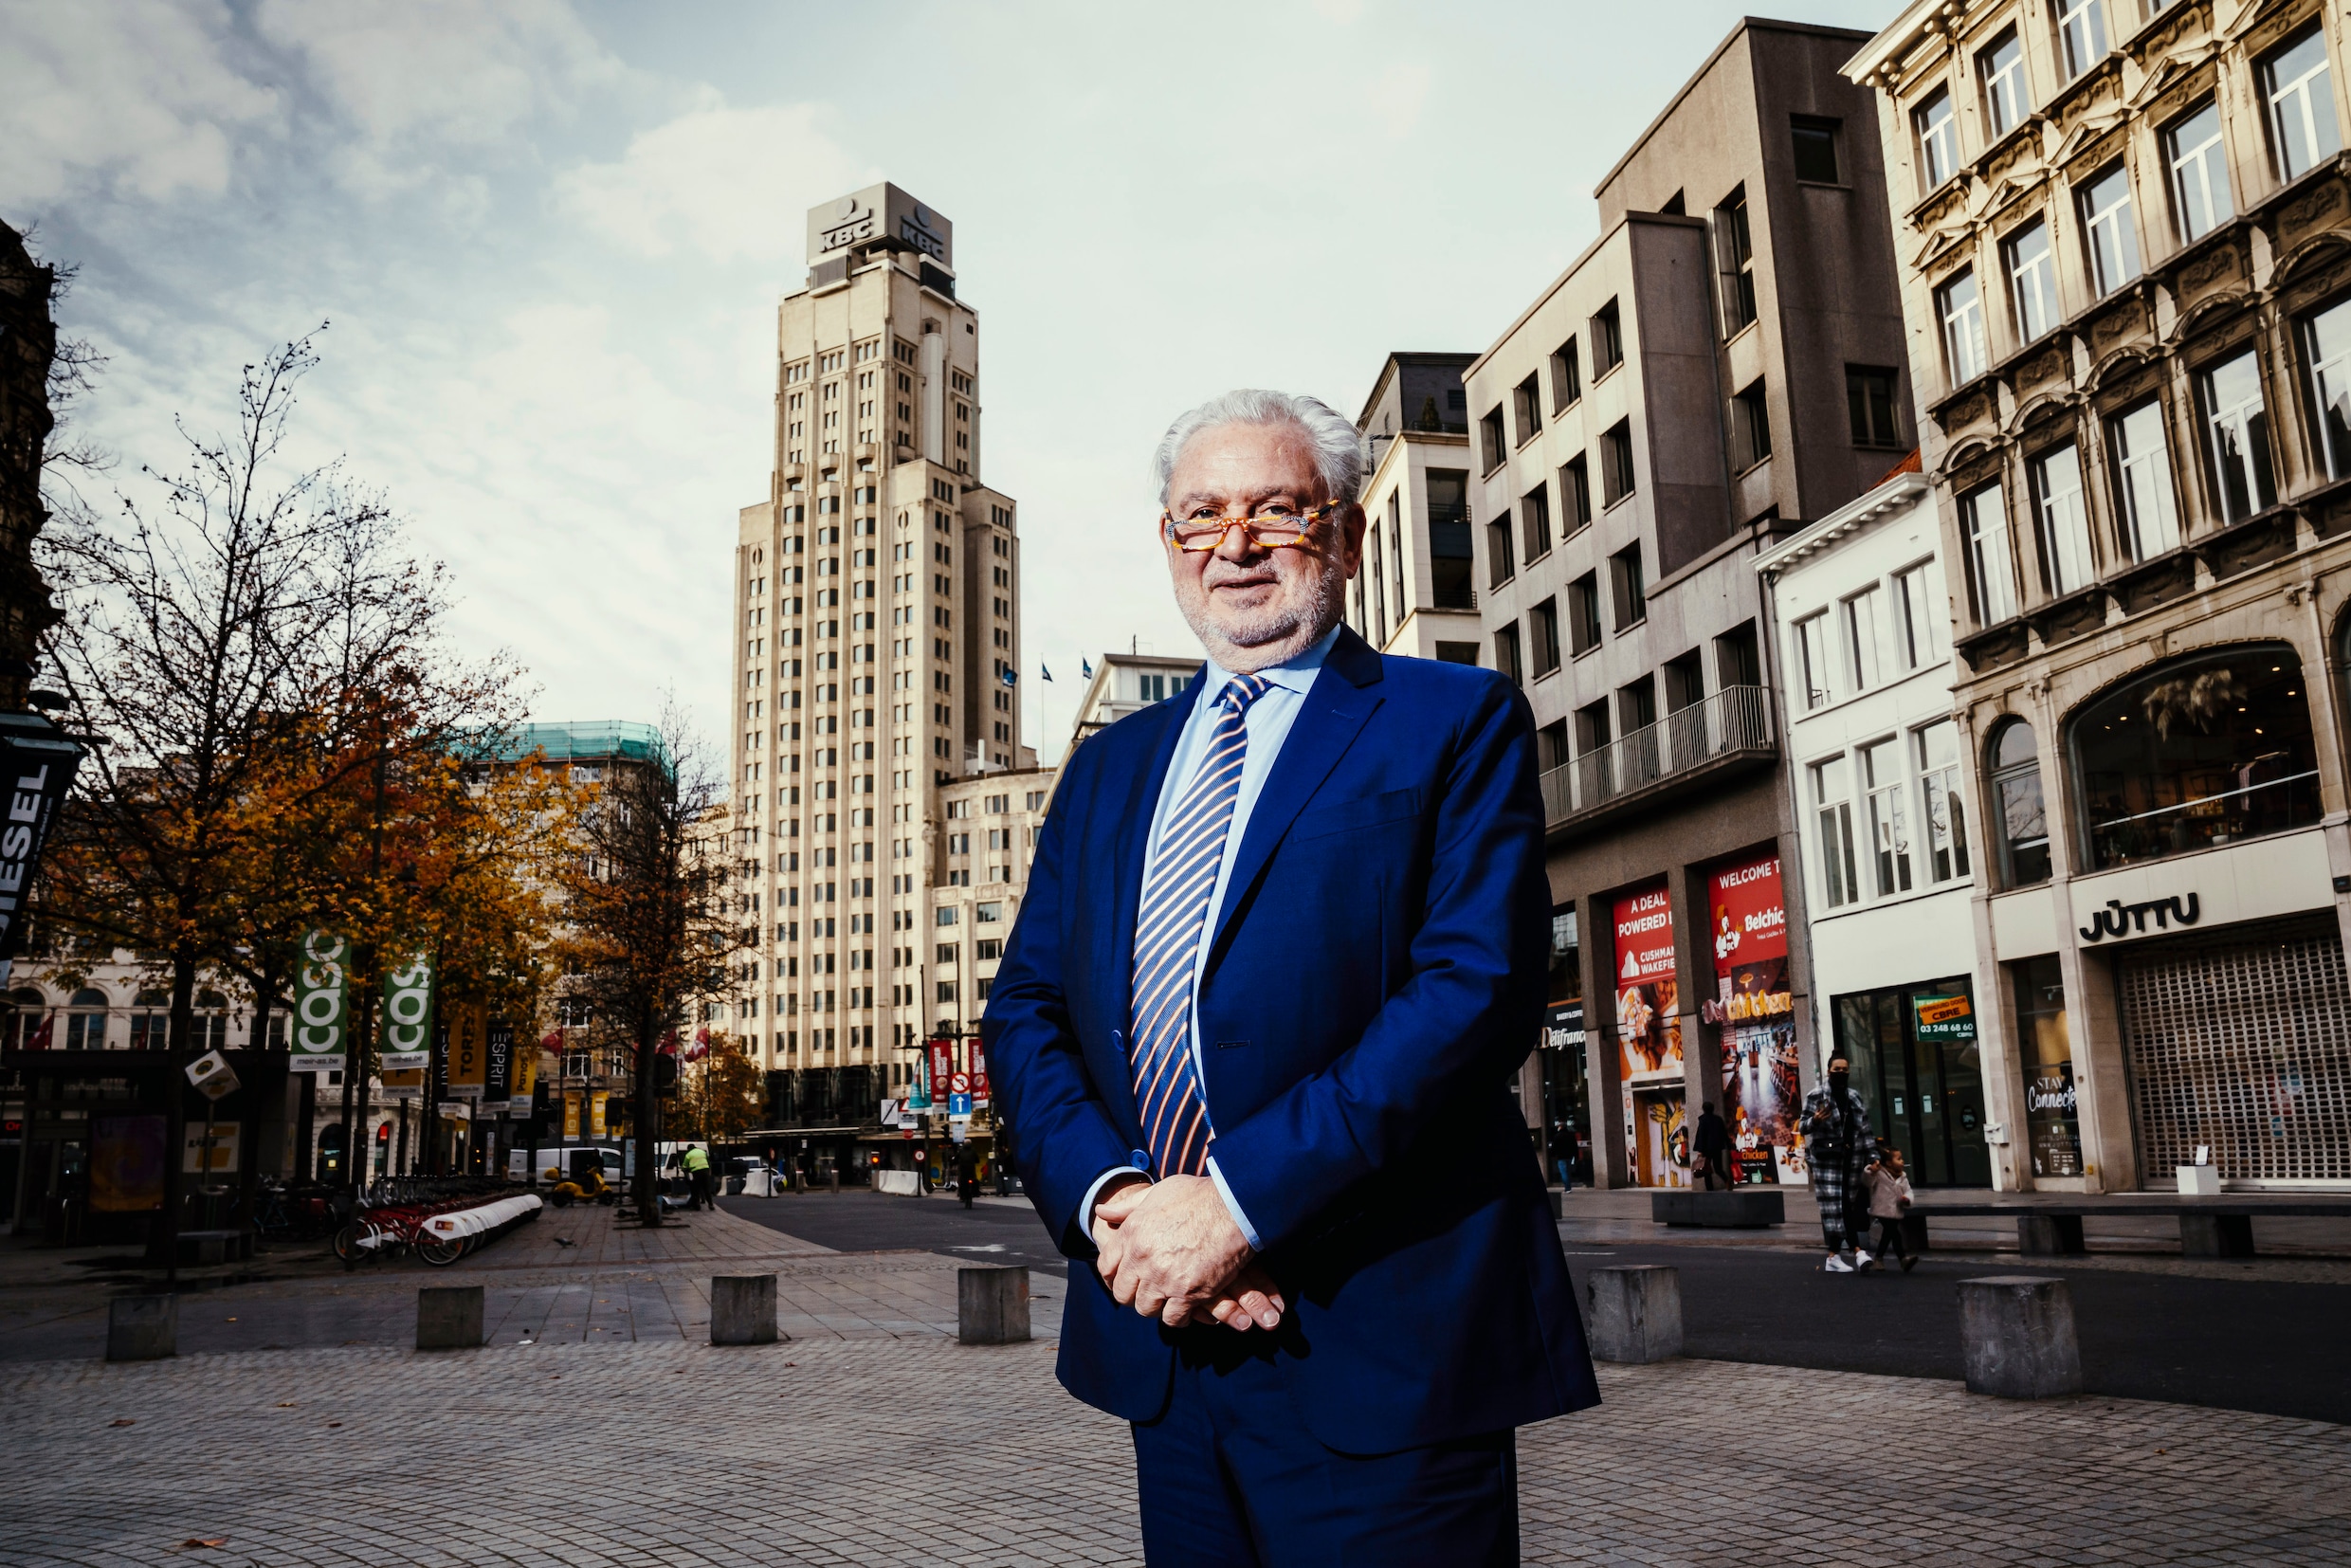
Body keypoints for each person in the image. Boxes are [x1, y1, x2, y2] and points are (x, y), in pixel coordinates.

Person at [989, 390, 1596, 1566]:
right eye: (1200, 515)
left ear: (1347, 534)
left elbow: (1474, 992)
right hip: (1163, 1338)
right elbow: (1023, 1012)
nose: (1236, 542)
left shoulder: (1453, 720)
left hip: (1382, 1345)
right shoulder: (1109, 767)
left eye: (1276, 508)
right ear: (1168, 542)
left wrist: (1234, 1203)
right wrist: (1117, 1201)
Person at [1800, 1057, 1875, 1272]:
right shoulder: (1816, 1095)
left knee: (1842, 1208)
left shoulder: (1854, 1097)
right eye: (1837, 1069)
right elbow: (1802, 1126)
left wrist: (1873, 1157)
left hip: (1852, 1159)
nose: (1840, 1072)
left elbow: (1865, 1129)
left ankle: (1833, 1257)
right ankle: (1858, 1251)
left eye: (1844, 1069)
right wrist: (1815, 1120)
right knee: (1840, 1205)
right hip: (1827, 1160)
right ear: (1828, 1070)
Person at [1866, 1143, 1917, 1272]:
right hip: (1881, 1209)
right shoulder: (1879, 1173)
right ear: (1888, 1163)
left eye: (1901, 1158)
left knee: (1888, 1234)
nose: (1902, 1161)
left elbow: (1908, 1191)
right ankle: (1902, 1259)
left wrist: (1907, 1198)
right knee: (1894, 1233)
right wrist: (1871, 1170)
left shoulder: (1902, 1176)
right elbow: (1867, 1181)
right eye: (1898, 1159)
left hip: (1896, 1210)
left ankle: (1879, 1258)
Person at [1693, 1101, 1733, 1191]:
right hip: (1718, 1147)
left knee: (1707, 1169)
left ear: (1704, 1109)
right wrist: (1729, 1146)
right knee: (1718, 1168)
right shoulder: (1718, 1120)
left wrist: (1700, 1150)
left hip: (1707, 1149)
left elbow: (1701, 1136)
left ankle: (1710, 1189)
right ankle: (1726, 1180)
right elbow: (1724, 1134)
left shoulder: (1703, 1121)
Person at [680, 1142, 713, 1211]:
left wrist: (683, 1169)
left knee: (695, 1189)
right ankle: (710, 1204)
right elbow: (708, 1161)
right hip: (705, 1171)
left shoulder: (688, 1155)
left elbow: (685, 1166)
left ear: (688, 1149)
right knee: (706, 1188)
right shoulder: (702, 1152)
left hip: (696, 1172)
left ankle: (697, 1205)